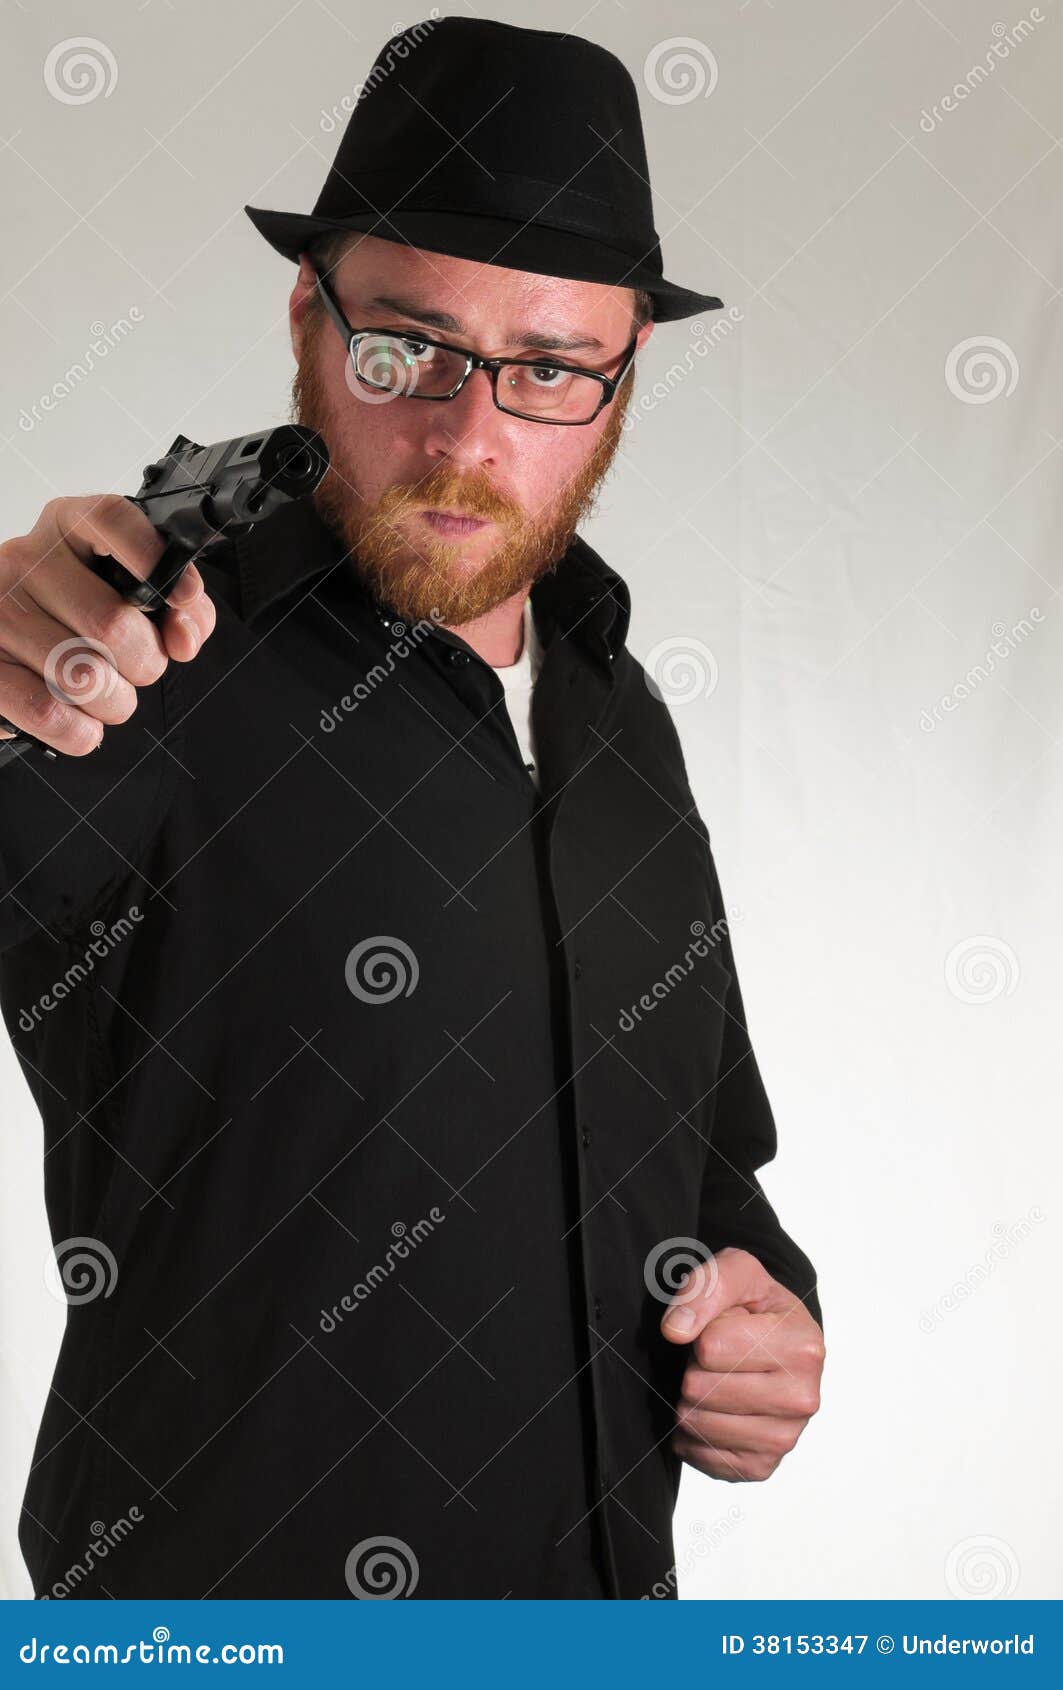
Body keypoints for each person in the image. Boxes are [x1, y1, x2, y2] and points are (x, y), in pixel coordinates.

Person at [0, 18, 824, 1600]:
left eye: (551, 368)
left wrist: (762, 1309)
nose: (468, 434)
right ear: (310, 315)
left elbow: (703, 1166)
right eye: (409, 349)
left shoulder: (623, 722)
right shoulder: (135, 655)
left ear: (626, 372)